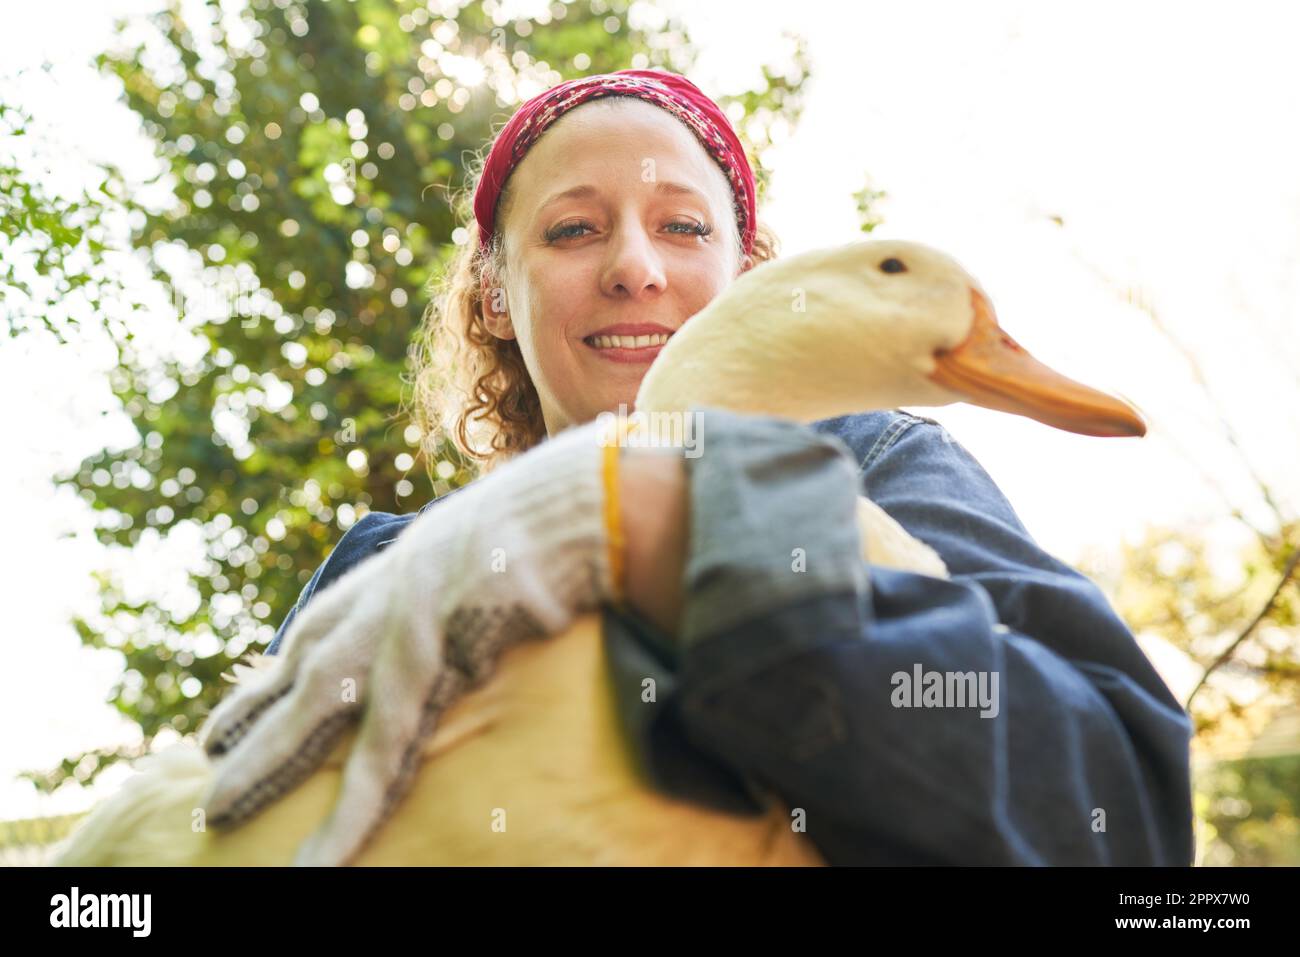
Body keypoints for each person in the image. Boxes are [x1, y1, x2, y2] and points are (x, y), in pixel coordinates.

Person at [199, 70, 1195, 866]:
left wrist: (698, 525)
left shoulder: (878, 463)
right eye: (573, 229)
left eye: (683, 226)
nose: (636, 267)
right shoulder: (382, 565)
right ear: (495, 295)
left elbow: (1125, 829)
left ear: (742, 279)